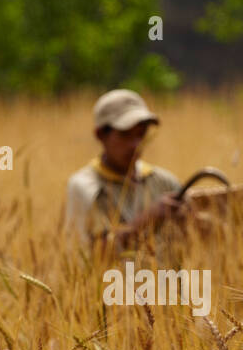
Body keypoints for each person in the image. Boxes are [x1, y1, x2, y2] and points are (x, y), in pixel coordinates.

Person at [62, 89, 187, 248]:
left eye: (141, 134)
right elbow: (91, 256)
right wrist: (146, 221)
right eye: (125, 134)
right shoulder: (85, 187)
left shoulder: (164, 182)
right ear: (100, 135)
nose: (135, 144)